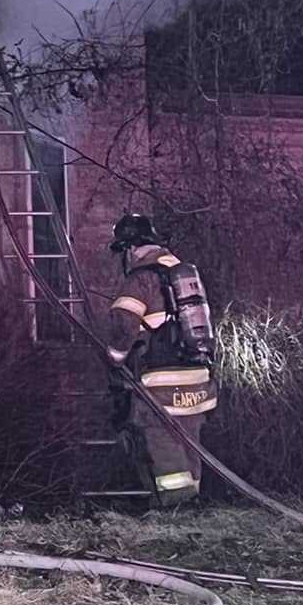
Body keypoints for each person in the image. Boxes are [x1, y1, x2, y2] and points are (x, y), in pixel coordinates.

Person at [106, 212, 217, 507]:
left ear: (130, 248)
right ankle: (191, 503)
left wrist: (114, 360)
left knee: (162, 444)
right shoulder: (184, 274)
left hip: (161, 384)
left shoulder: (141, 279)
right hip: (198, 380)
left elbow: (122, 326)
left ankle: (177, 511)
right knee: (189, 443)